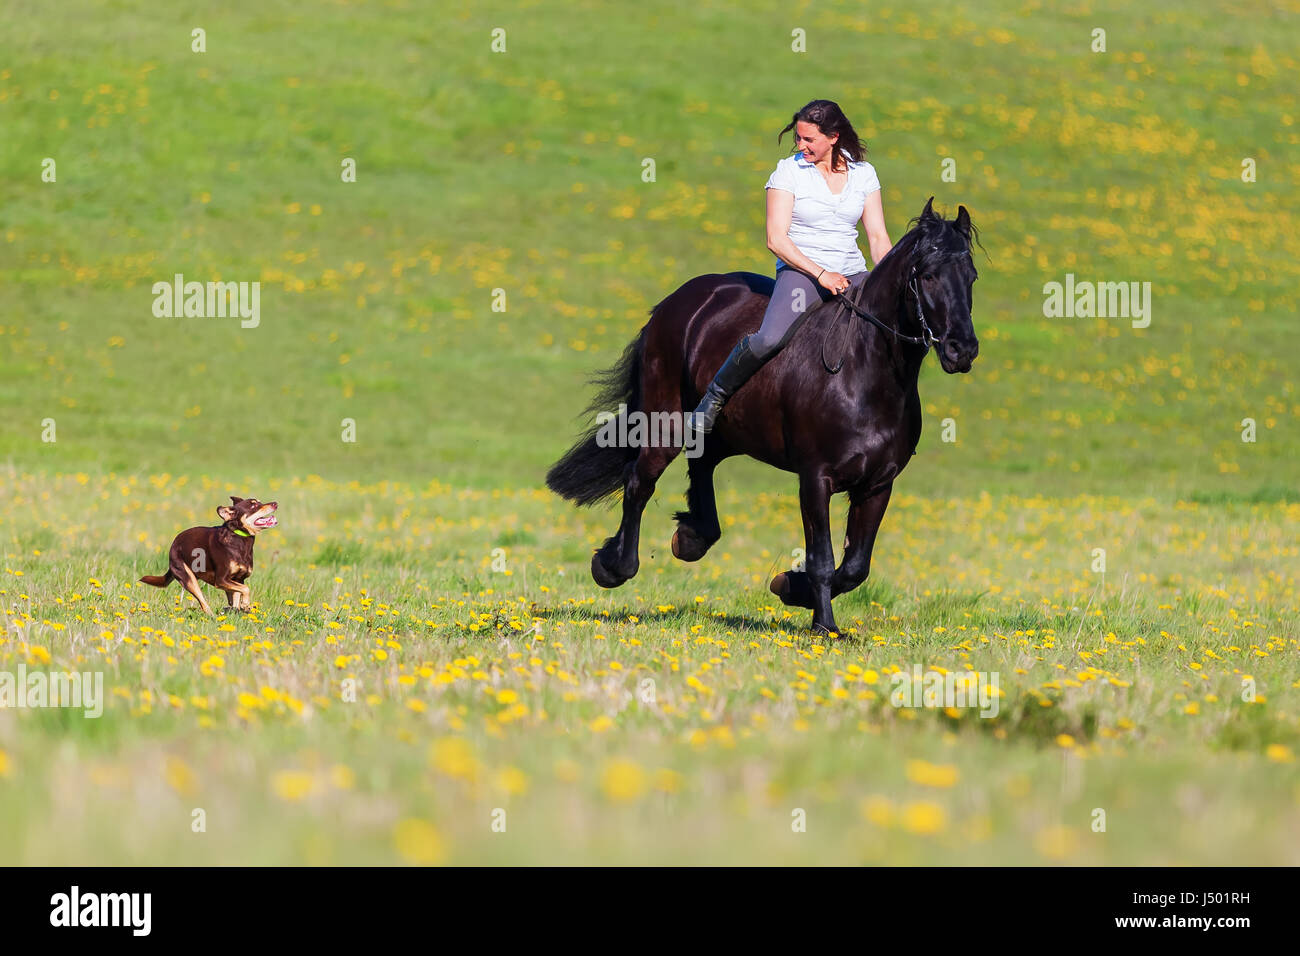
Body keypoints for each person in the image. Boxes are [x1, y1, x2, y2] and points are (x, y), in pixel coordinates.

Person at [689, 100, 894, 434]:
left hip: (852, 272)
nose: (801, 146)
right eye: (798, 138)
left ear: (834, 137)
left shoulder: (863, 174)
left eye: (809, 139)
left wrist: (887, 279)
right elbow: (776, 239)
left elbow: (878, 236)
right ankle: (714, 397)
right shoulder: (789, 172)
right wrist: (821, 274)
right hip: (802, 273)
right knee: (769, 338)